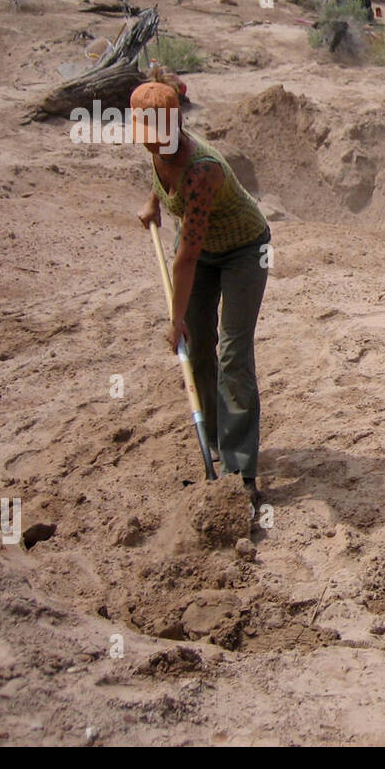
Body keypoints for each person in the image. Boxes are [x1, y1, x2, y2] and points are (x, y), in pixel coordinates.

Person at [133, 72, 270, 507]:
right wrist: (153, 203)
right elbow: (159, 179)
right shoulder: (156, 151)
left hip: (244, 250)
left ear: (173, 126)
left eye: (154, 133)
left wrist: (173, 321)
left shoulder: (202, 170)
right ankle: (214, 441)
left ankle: (240, 470)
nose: (149, 142)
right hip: (201, 250)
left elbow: (185, 259)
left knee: (232, 352)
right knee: (197, 345)